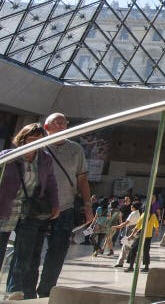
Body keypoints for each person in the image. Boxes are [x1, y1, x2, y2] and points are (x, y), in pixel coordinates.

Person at [31, 113, 92, 299]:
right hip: (38, 207)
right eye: (56, 122)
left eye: (64, 122)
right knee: (32, 250)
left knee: (58, 251)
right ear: (46, 127)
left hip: (65, 207)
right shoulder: (38, 146)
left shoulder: (76, 149)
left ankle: (46, 291)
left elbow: (82, 179)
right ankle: (25, 290)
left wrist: (88, 205)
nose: (61, 125)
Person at [0, 124, 60, 300]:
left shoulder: (45, 159)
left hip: (29, 210)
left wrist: (55, 204)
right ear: (23, 139)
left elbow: (51, 182)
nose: (35, 143)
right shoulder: (8, 156)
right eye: (32, 139)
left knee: (23, 254)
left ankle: (14, 290)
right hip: (5, 208)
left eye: (40, 140)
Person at [124, 203, 160, 273]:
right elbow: (156, 225)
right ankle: (146, 267)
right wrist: (156, 232)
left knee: (133, 249)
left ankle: (131, 266)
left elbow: (137, 227)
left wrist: (131, 236)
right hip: (148, 236)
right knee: (146, 251)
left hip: (141, 235)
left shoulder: (143, 215)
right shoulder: (153, 215)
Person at [112, 201, 140, 268]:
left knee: (126, 247)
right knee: (126, 247)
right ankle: (122, 262)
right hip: (133, 231)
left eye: (132, 206)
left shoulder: (133, 213)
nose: (131, 207)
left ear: (133, 207)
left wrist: (116, 226)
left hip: (130, 231)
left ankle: (134, 260)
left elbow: (126, 223)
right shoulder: (138, 213)